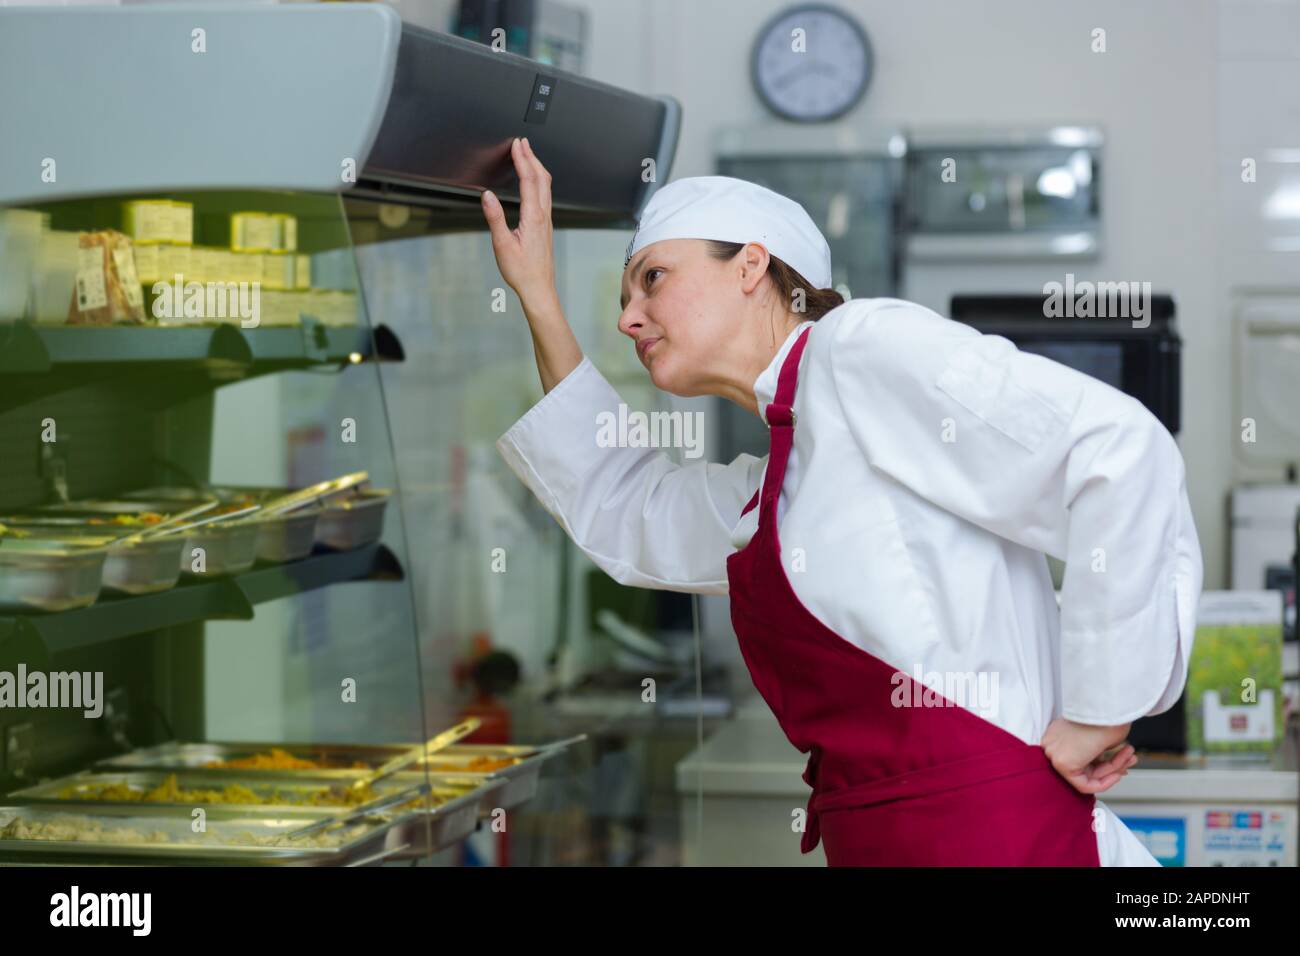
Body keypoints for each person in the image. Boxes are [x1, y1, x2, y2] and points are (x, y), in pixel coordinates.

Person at [481, 136, 1203, 866]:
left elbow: (1117, 450)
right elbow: (625, 504)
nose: (628, 318)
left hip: (1000, 843)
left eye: (653, 278)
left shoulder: (857, 347)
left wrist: (1098, 710)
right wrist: (537, 294)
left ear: (752, 266)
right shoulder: (776, 484)